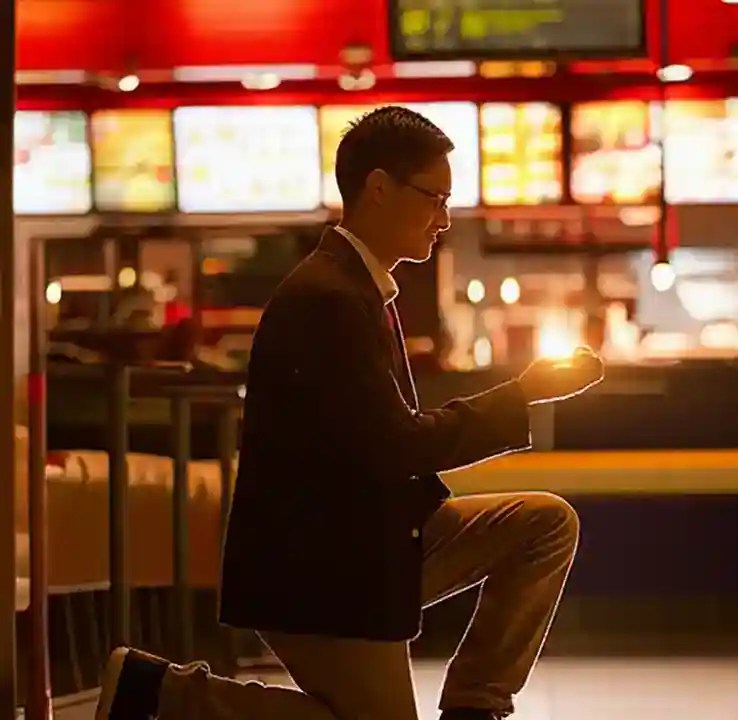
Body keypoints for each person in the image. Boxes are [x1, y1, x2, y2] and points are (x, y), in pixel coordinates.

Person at [95, 106, 605, 720]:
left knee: (544, 524)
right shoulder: (327, 301)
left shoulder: (357, 289)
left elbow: (381, 446)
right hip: (319, 570)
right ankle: (163, 695)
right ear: (380, 188)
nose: (444, 219)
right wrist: (521, 394)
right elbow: (394, 446)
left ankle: (476, 705)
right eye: (435, 198)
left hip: (366, 541)